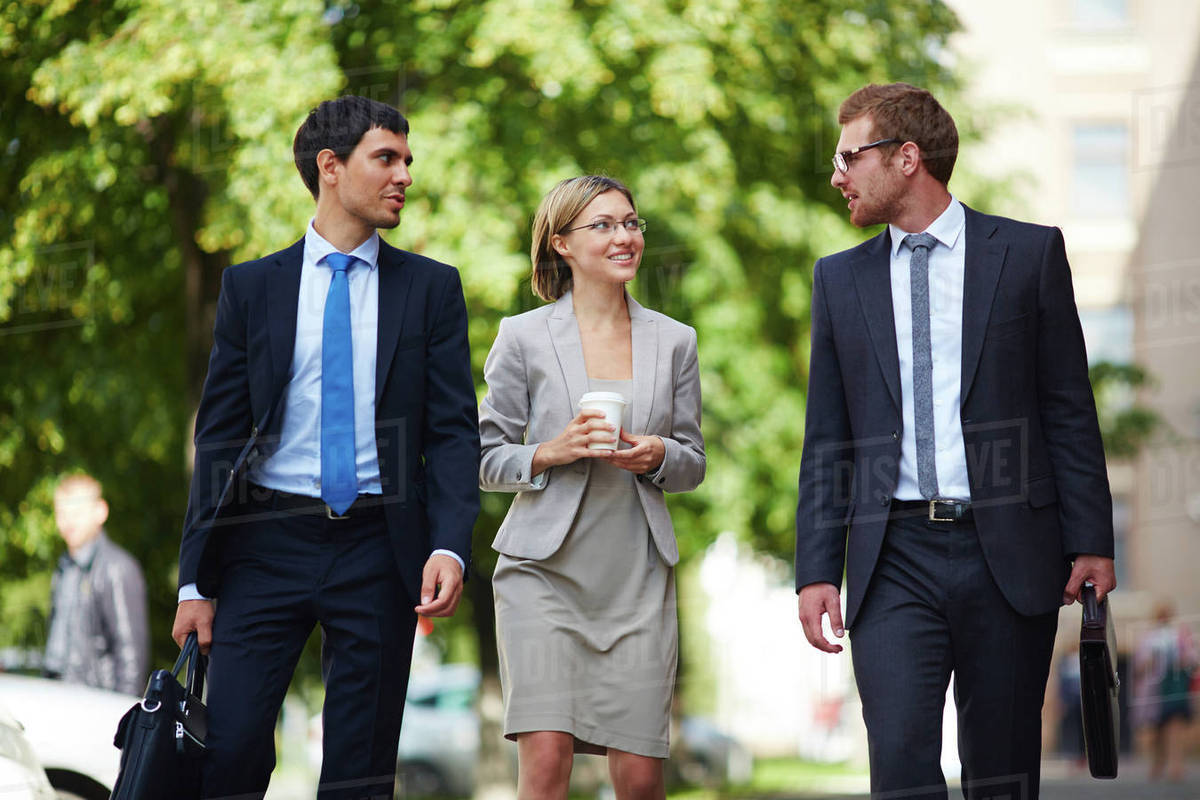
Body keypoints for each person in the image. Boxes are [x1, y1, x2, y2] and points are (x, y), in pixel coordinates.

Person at [793, 83, 1116, 800]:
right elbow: (828, 437)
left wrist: (1092, 538)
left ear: (907, 157)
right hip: (892, 556)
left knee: (1000, 771)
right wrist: (816, 567)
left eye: (850, 156)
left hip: (1008, 552)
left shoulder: (1029, 255)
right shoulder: (839, 280)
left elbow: (1068, 407)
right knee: (901, 764)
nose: (837, 174)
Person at [171, 96, 480, 800]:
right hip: (263, 545)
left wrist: (449, 544)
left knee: (361, 772)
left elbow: (453, 430)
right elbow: (218, 438)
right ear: (331, 167)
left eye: (408, 160)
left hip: (378, 546)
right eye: (387, 158)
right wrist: (195, 582)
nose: (404, 174)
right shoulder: (252, 288)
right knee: (231, 755)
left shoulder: (432, 290)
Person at [479, 175, 705, 800]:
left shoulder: (675, 341)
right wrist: (550, 451)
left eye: (630, 223)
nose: (624, 237)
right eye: (602, 225)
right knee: (546, 765)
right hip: (542, 576)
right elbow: (484, 455)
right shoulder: (521, 337)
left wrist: (658, 453)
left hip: (636, 578)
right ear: (561, 244)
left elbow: (693, 461)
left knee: (638, 780)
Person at [43, 472, 148, 696]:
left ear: (101, 511)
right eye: (62, 513)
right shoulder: (63, 569)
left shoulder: (117, 568)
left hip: (97, 707)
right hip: (57, 701)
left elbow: (131, 659)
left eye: (77, 513)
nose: (68, 522)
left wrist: (119, 721)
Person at [1133, 601, 1197, 782]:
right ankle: (1158, 763)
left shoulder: (1179, 635)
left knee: (1175, 727)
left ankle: (1176, 765)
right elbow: (1139, 666)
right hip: (1154, 689)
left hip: (1174, 686)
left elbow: (1192, 658)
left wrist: (1183, 661)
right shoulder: (1149, 637)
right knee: (1156, 729)